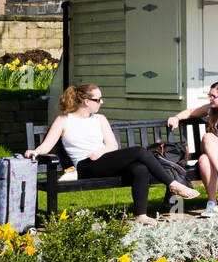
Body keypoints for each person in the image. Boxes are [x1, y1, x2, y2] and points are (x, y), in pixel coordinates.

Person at [24, 84, 198, 225]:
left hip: (102, 160)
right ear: (86, 101)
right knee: (138, 151)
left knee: (140, 168)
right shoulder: (64, 120)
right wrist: (36, 151)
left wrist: (100, 152)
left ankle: (141, 216)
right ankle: (172, 184)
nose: (102, 102)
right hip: (86, 166)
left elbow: (112, 145)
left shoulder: (100, 119)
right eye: (98, 99)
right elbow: (47, 144)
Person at [167, 80, 218, 217]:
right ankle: (212, 204)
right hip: (216, 154)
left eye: (214, 96)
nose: (210, 98)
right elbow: (191, 112)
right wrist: (176, 117)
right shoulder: (212, 109)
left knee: (208, 138)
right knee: (204, 159)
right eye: (209, 95)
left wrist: (217, 147)